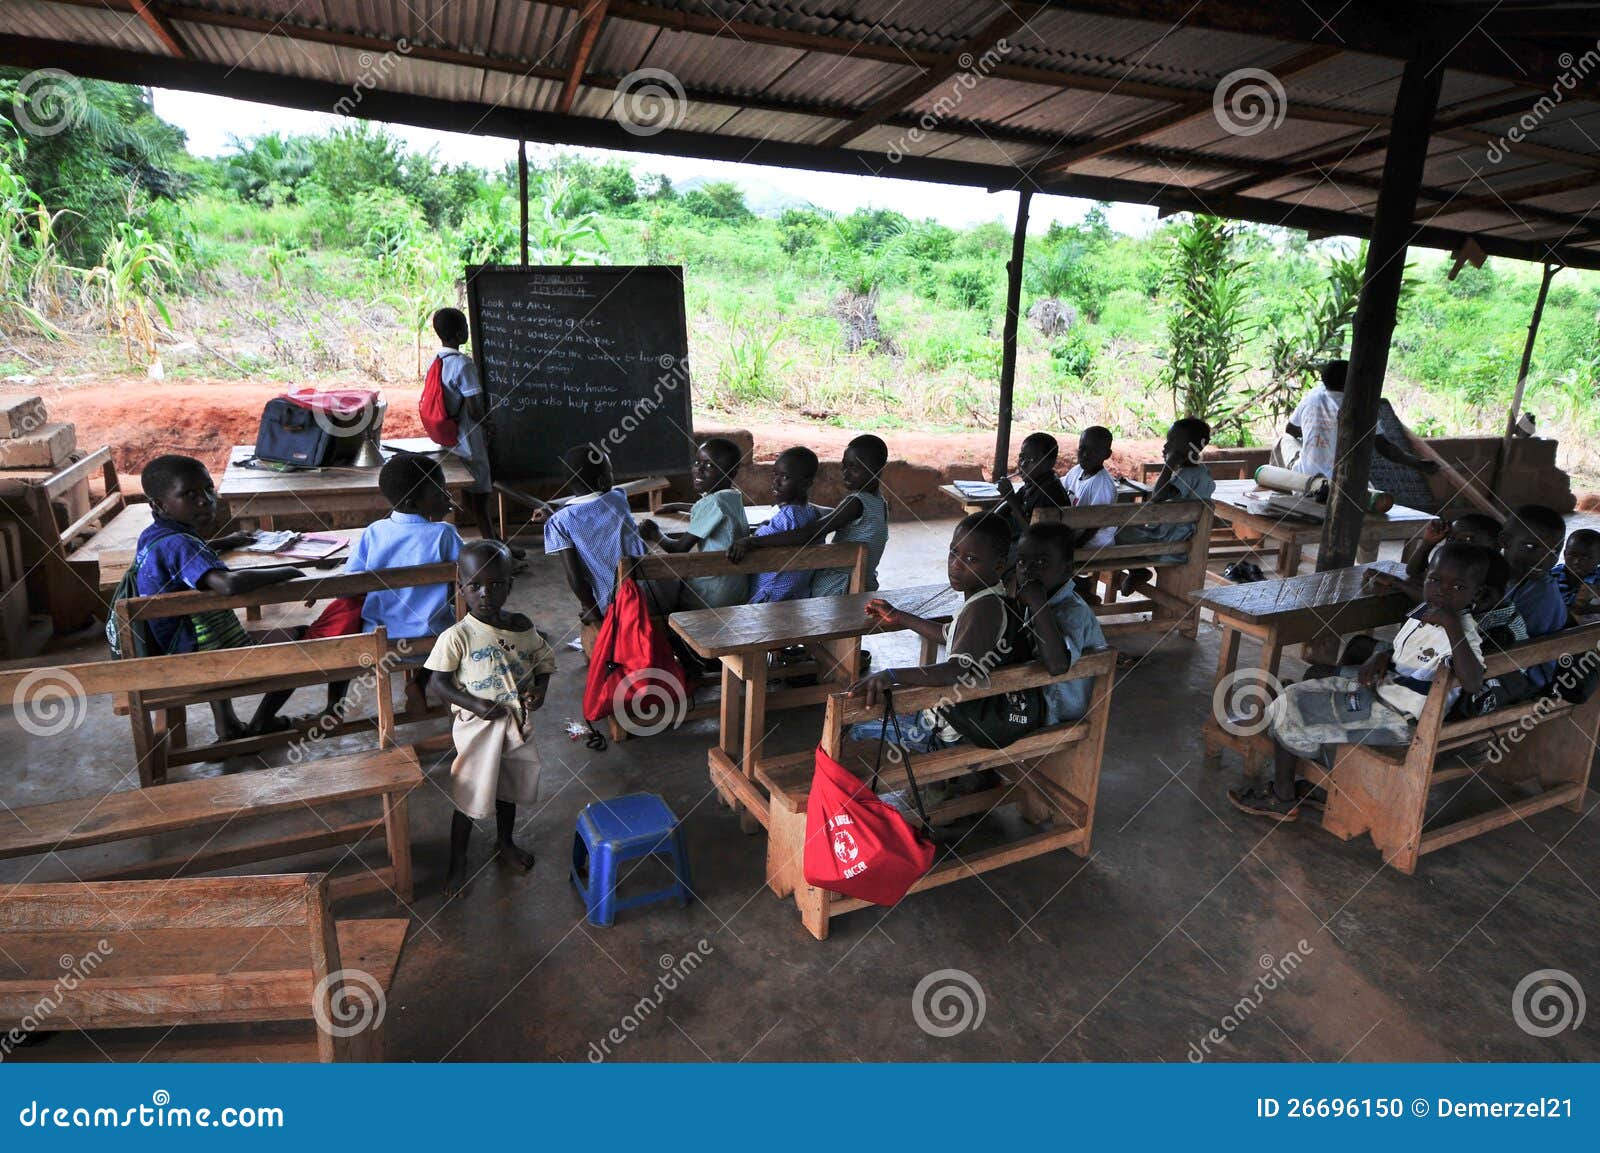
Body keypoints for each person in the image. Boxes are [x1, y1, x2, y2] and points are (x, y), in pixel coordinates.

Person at [1229, 542, 1490, 821]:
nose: (1442, 591)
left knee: (1290, 705)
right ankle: (1323, 785)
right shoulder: (1426, 613)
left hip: (1401, 721)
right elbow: (1410, 654)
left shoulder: (1462, 633)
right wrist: (1383, 656)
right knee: (1304, 687)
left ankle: (1282, 798)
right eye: (1435, 580)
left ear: (1478, 595)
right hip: (1386, 694)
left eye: (1458, 587)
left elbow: (1473, 682)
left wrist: (1452, 627)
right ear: (1425, 578)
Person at [132, 454, 309, 739]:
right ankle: (263, 721)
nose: (205, 500)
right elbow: (228, 584)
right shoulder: (180, 543)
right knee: (305, 638)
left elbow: (187, 556)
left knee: (213, 625)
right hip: (197, 659)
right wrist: (287, 570)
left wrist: (227, 542)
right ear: (159, 505)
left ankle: (227, 725)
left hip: (175, 646)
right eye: (189, 495)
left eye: (207, 489)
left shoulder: (156, 534)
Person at [424, 540, 555, 897]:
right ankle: (458, 861)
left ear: (511, 584)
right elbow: (438, 682)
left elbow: (544, 664)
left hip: (514, 724)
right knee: (470, 793)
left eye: (497, 584)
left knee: (506, 790)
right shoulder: (457, 637)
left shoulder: (523, 627)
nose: (486, 593)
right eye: (476, 585)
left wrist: (539, 690)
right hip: (477, 729)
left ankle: (505, 843)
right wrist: (476, 704)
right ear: (461, 587)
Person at [845, 512, 1028, 756]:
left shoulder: (982, 610)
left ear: (998, 565)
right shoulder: (990, 599)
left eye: (971, 558)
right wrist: (900, 616)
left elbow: (957, 670)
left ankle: (937, 783)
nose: (956, 564)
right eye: (954, 552)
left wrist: (891, 674)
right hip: (967, 714)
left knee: (854, 728)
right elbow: (947, 634)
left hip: (948, 730)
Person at [309, 452, 463, 714]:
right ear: (415, 503)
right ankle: (422, 681)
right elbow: (470, 574)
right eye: (440, 493)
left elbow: (351, 583)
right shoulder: (444, 534)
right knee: (462, 624)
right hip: (432, 640)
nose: (448, 497)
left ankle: (332, 708)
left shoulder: (375, 531)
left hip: (379, 639)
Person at [728, 434, 889, 599]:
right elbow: (834, 513)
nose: (845, 474)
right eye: (844, 467)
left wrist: (753, 541)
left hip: (839, 585)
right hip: (866, 581)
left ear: (877, 469)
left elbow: (810, 533)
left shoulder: (855, 503)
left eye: (854, 468)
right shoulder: (879, 502)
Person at [1284, 360, 1441, 508]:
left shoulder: (1312, 396)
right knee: (1363, 490)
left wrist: (1317, 433)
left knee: (1284, 441)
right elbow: (1385, 448)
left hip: (1305, 481)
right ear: (1352, 381)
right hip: (1342, 485)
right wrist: (1418, 463)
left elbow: (1291, 430)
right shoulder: (1360, 407)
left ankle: (1283, 487)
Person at [430, 307, 520, 561]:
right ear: (460, 333)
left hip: (447, 437)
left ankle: (494, 542)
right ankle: (496, 550)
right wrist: (489, 424)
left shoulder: (436, 360)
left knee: (471, 495)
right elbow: (473, 407)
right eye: (466, 327)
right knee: (481, 496)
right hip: (469, 439)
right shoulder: (463, 364)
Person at [543, 445, 652, 631]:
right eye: (610, 472)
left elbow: (575, 579)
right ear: (602, 481)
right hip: (652, 592)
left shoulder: (558, 523)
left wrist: (591, 610)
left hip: (613, 605)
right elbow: (591, 506)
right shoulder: (618, 499)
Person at [639, 437, 748, 610]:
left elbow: (678, 549)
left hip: (710, 594)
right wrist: (677, 505)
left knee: (653, 588)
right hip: (736, 589)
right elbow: (710, 510)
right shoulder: (733, 496)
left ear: (732, 472)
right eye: (697, 462)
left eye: (710, 466)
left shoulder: (712, 503)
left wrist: (656, 534)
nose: (698, 470)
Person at [1016, 522, 1107, 726]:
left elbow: (1057, 665)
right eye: (1021, 562)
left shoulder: (1073, 612)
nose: (1027, 571)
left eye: (1040, 563)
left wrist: (1038, 602)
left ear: (1067, 569)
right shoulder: (1035, 600)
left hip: (1060, 716)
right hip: (1035, 701)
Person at [1117, 418, 1215, 594]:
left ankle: (1138, 571)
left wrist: (1168, 464)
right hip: (1174, 538)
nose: (1166, 445)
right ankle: (1138, 572)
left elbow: (1157, 496)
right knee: (1126, 528)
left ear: (1192, 447)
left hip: (1169, 544)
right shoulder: (1200, 472)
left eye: (1172, 441)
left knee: (1117, 532)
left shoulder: (1188, 475)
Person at [1499, 504, 1572, 693]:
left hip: (1527, 675)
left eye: (1555, 551)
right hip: (1502, 664)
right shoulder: (1494, 573)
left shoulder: (1541, 593)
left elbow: (1513, 645)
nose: (1544, 558)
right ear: (1505, 541)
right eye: (1532, 546)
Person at [748, 447, 821, 603]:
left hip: (771, 597)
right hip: (797, 596)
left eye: (785, 477)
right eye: (775, 474)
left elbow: (756, 541)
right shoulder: (811, 513)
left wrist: (757, 532)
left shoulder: (790, 516)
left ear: (805, 483)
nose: (776, 482)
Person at [996, 432, 1072, 540]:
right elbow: (1007, 507)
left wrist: (1010, 498)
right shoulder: (1034, 483)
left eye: (1031, 460)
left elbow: (1033, 535)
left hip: (1042, 550)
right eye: (1021, 458)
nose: (1022, 464)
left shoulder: (1050, 492)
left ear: (1049, 463)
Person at [1401, 512, 1501, 583]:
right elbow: (1415, 572)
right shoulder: (1455, 563)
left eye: (1468, 539)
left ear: (1496, 545)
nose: (1454, 544)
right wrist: (1427, 543)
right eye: (1449, 539)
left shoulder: (1490, 573)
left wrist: (1397, 583)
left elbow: (1439, 600)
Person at [1552, 527, 1600, 611]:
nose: (1577, 561)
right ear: (1564, 554)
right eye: (1572, 555)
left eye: (1586, 557)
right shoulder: (1551, 576)